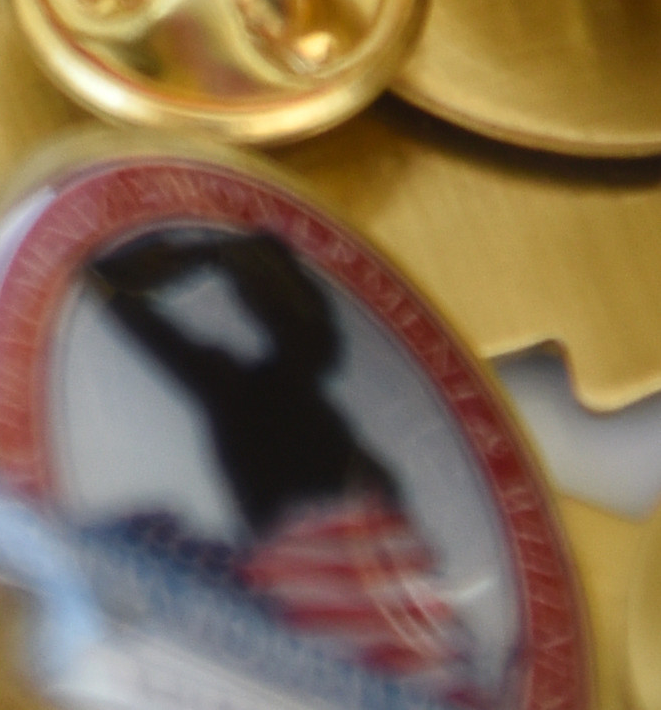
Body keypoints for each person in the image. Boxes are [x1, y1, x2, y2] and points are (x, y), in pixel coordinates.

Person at [87, 229, 479, 699]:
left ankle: (195, 267)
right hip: (321, 536)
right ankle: (209, 264)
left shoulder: (268, 396)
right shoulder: (262, 398)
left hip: (323, 537)